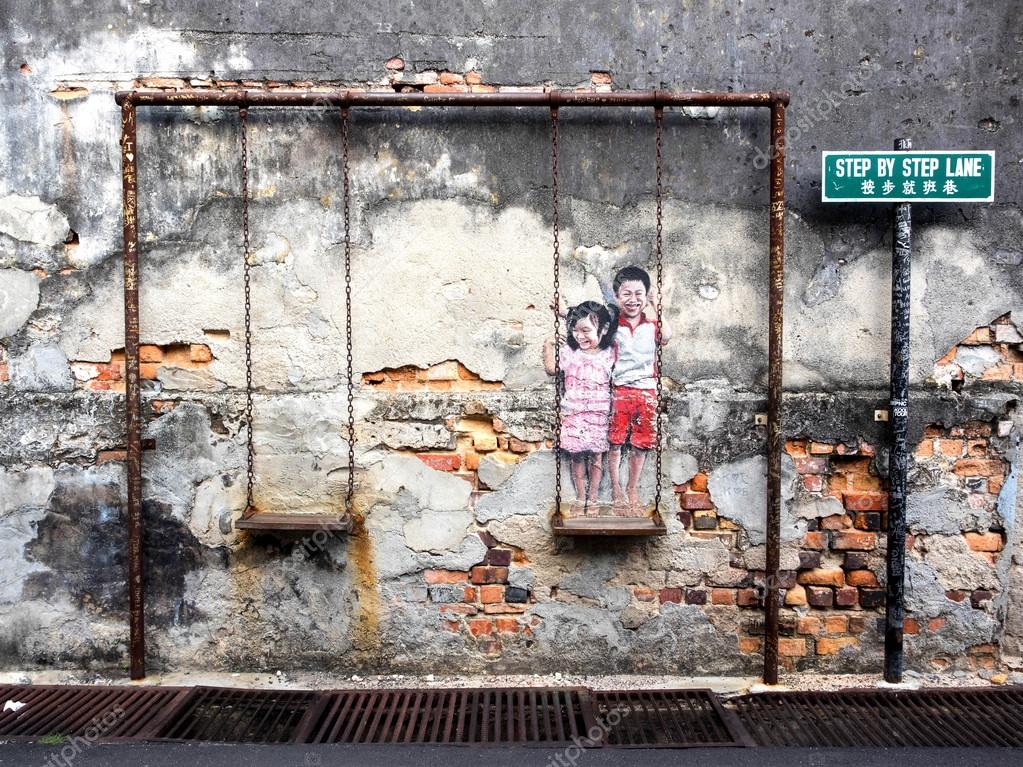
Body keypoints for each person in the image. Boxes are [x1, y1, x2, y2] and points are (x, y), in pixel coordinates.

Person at [544, 300, 618, 515]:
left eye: (586, 330)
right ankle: (580, 497)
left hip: (598, 413)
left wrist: (566, 312)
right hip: (574, 413)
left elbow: (616, 323)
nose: (580, 335)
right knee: (577, 456)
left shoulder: (610, 353)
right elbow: (551, 369)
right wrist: (548, 347)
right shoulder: (570, 352)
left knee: (596, 457)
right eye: (575, 330)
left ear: (603, 330)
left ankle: (593, 498)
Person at [607, 265, 671, 513]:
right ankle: (616, 487)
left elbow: (666, 336)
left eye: (639, 294)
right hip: (619, 390)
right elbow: (586, 321)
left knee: (641, 443)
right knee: (615, 442)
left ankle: (632, 487)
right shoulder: (613, 325)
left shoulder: (652, 323)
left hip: (647, 391)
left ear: (646, 296)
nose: (633, 300)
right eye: (626, 294)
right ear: (616, 296)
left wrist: (655, 305)